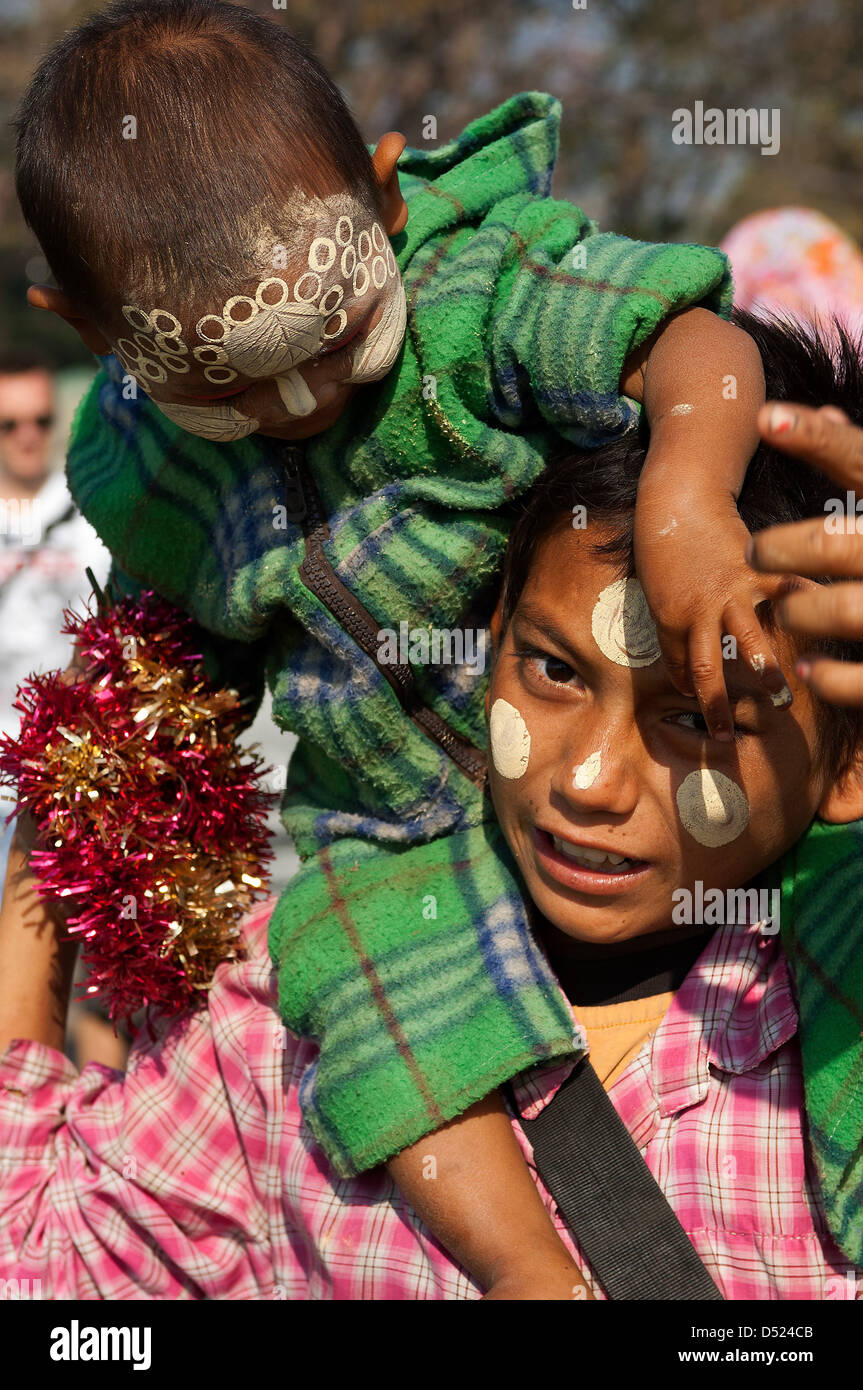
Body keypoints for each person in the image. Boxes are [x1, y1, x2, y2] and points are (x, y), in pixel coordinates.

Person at [9, 0, 800, 1295]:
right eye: (232, 390)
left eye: (334, 343)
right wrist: (114, 771)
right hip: (377, 832)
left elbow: (688, 340)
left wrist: (690, 503)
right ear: (93, 332)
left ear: (382, 196)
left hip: (560, 747)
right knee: (381, 1017)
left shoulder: (478, 294)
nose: (301, 404)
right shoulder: (144, 469)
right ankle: (532, 1273)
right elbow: (183, 648)